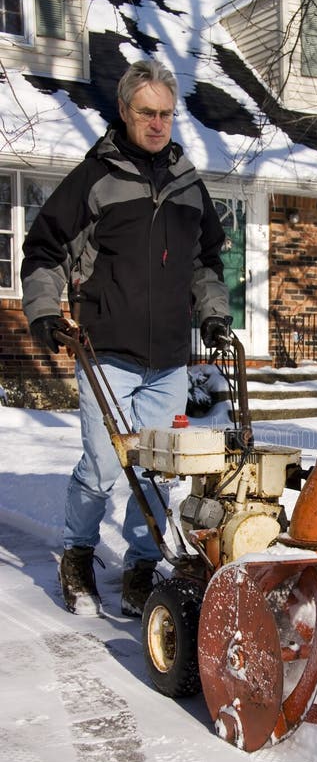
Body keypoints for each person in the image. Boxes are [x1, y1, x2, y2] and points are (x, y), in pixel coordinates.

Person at [21, 59, 230, 618]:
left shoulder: (189, 185)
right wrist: (45, 313)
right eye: (147, 113)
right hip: (104, 352)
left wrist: (212, 314)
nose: (158, 123)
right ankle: (78, 554)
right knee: (103, 464)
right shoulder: (95, 177)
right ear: (125, 111)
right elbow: (44, 250)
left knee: (160, 469)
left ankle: (141, 566)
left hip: (167, 358)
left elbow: (206, 261)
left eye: (166, 113)